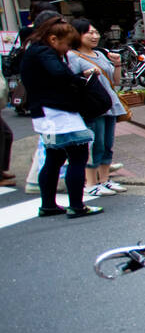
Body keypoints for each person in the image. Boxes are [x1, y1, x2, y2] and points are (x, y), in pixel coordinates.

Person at [19, 14, 103, 217]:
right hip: (58, 113)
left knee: (54, 158)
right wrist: (79, 79)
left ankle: (48, 205)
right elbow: (59, 74)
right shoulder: (45, 53)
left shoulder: (32, 51)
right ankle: (76, 205)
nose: (67, 50)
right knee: (78, 155)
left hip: (44, 113)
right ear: (53, 39)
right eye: (66, 45)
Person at [68, 20, 127, 196]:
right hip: (92, 106)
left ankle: (105, 180)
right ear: (77, 35)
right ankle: (91, 183)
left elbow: (116, 81)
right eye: (89, 33)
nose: (95, 36)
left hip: (109, 104)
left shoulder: (100, 54)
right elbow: (70, 82)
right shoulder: (72, 56)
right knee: (96, 144)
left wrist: (117, 64)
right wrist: (83, 75)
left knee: (108, 144)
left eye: (96, 32)